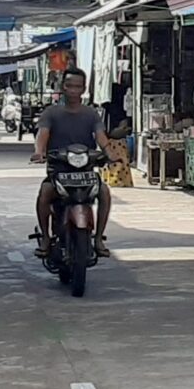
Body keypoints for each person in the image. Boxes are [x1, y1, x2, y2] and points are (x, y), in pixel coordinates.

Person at [32, 67, 113, 255]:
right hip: (59, 170)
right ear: (63, 87)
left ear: (84, 89)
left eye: (78, 86)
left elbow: (100, 136)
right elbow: (43, 134)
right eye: (69, 86)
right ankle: (45, 237)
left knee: (104, 192)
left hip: (85, 172)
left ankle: (99, 237)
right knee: (45, 194)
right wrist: (39, 152)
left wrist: (108, 152)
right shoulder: (51, 113)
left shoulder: (91, 114)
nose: (73, 90)